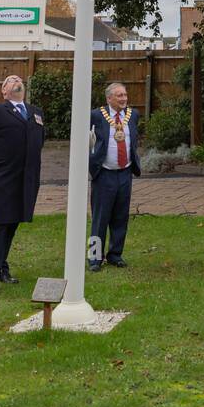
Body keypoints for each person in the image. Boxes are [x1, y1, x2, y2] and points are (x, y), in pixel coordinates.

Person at [0, 74, 45, 294]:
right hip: (4, 177)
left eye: (18, 78)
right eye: (9, 80)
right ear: (3, 91)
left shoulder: (36, 113)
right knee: (1, 223)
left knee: (12, 222)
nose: (15, 80)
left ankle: (2, 267)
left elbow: (39, 141)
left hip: (27, 179)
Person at [88, 81, 141, 269]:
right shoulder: (96, 115)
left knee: (120, 216)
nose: (124, 99)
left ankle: (115, 254)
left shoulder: (132, 115)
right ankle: (95, 258)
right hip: (104, 174)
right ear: (109, 98)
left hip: (125, 172)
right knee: (100, 218)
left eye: (125, 95)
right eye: (119, 96)